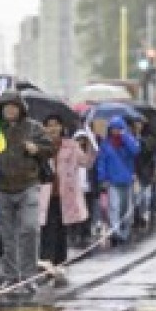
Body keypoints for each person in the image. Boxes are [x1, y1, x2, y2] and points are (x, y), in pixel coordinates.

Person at [0, 91, 53, 297]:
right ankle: (10, 275)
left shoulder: (33, 127)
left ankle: (28, 275)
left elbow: (50, 147)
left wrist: (37, 148)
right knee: (7, 234)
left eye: (13, 106)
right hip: (1, 187)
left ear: (20, 108)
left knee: (30, 228)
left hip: (28, 185)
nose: (9, 110)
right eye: (5, 106)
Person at [38, 116, 95, 278]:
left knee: (62, 229)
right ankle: (46, 262)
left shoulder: (71, 145)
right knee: (46, 228)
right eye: (49, 126)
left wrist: (91, 145)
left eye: (56, 125)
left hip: (65, 194)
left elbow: (86, 162)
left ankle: (60, 261)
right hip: (45, 193)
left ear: (62, 127)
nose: (52, 129)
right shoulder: (40, 145)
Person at [96, 116, 141, 245]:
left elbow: (136, 151)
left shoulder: (128, 141)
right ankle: (116, 232)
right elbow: (102, 162)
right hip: (112, 181)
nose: (115, 131)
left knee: (125, 208)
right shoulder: (106, 144)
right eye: (113, 128)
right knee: (114, 207)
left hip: (127, 180)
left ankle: (125, 231)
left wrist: (125, 137)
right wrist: (102, 178)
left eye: (118, 128)